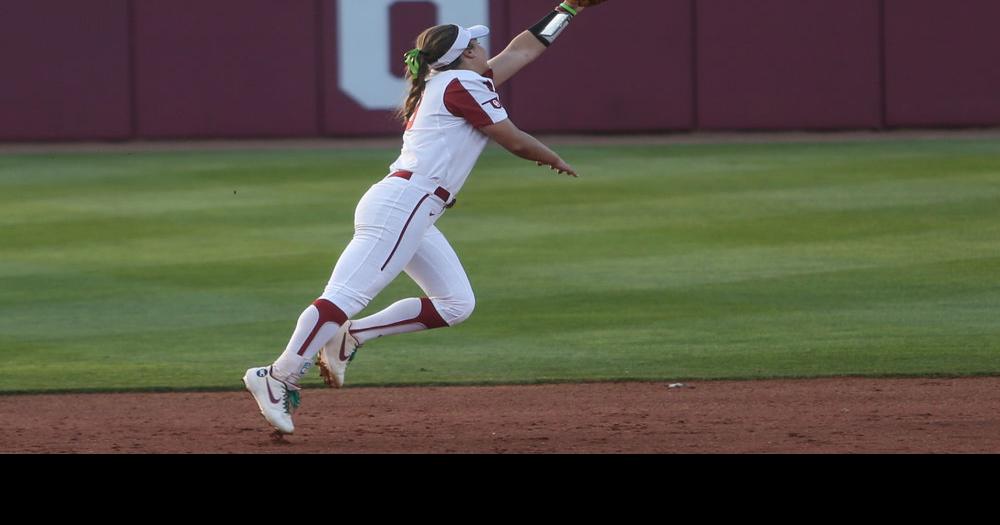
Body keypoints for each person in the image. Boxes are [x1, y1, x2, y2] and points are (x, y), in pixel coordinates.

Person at [244, 1, 598, 434]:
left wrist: (568, 8)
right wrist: (554, 158)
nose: (484, 48)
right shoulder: (461, 83)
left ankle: (352, 335)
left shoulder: (451, 81)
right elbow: (516, 141)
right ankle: (277, 375)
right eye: (475, 44)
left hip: (412, 205)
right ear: (465, 55)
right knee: (343, 295)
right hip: (406, 203)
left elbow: (522, 50)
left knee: (455, 304)